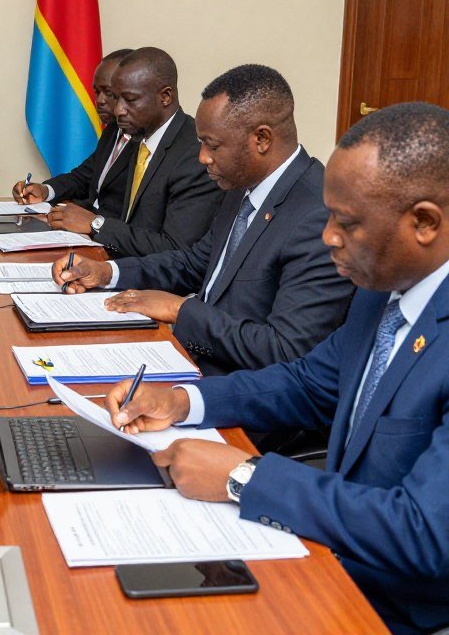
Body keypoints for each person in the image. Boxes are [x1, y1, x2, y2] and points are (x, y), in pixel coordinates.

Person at [102, 102, 449, 634]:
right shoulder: (384, 288)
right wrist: (183, 400)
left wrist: (244, 477)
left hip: (401, 611)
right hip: (333, 559)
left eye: (347, 222)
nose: (328, 236)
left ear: (424, 222)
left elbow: (424, 533)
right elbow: (309, 382)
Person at [53, 65, 355, 375]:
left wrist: (179, 310)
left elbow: (282, 349)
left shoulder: (319, 215)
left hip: (239, 389)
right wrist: (106, 273)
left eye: (213, 145)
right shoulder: (242, 184)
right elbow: (194, 263)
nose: (203, 157)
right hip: (188, 356)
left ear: (262, 139)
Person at [43, 47, 222, 257]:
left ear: (165, 96)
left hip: (156, 282)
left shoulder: (194, 154)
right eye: (117, 98)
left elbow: (175, 250)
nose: (118, 110)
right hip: (121, 262)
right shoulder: (141, 136)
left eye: (130, 99)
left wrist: (96, 225)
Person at [12, 49, 135, 218]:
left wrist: (93, 224)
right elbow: (81, 178)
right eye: (97, 91)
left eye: (108, 92)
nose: (99, 100)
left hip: (108, 234)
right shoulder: (113, 131)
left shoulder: (146, 142)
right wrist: (45, 191)